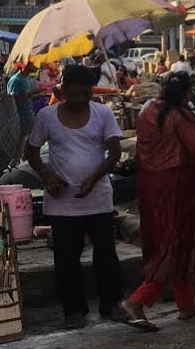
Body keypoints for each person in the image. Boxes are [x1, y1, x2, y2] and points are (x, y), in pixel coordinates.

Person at [24, 65, 130, 330]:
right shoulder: (47, 117)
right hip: (63, 203)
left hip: (98, 199)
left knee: (105, 254)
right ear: (64, 90)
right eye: (77, 94)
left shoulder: (103, 113)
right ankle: (73, 310)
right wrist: (47, 176)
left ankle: (111, 304)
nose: (82, 99)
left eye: (87, 94)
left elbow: (115, 153)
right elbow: (32, 151)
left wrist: (93, 179)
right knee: (66, 259)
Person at [120, 72, 195, 330]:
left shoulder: (147, 112)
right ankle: (137, 300)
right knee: (174, 244)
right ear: (186, 93)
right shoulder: (178, 116)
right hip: (177, 186)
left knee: (170, 241)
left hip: (150, 184)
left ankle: (186, 303)